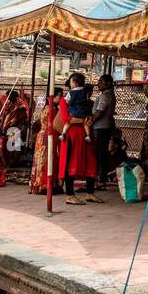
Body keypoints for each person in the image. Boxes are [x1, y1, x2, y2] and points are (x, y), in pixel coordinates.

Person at [57, 73, 100, 205]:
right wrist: (82, 120)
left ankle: (90, 193)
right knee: (71, 163)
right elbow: (66, 118)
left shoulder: (85, 100)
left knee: (91, 161)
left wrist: (89, 118)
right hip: (71, 135)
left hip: (85, 134)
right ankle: (70, 194)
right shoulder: (64, 101)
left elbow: (89, 115)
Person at [90, 74, 117, 190]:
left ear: (108, 83)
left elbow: (100, 111)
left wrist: (90, 121)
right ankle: (100, 179)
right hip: (104, 127)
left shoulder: (105, 96)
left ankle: (100, 180)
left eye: (101, 81)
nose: (98, 83)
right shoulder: (108, 95)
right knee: (101, 153)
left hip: (101, 127)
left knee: (100, 154)